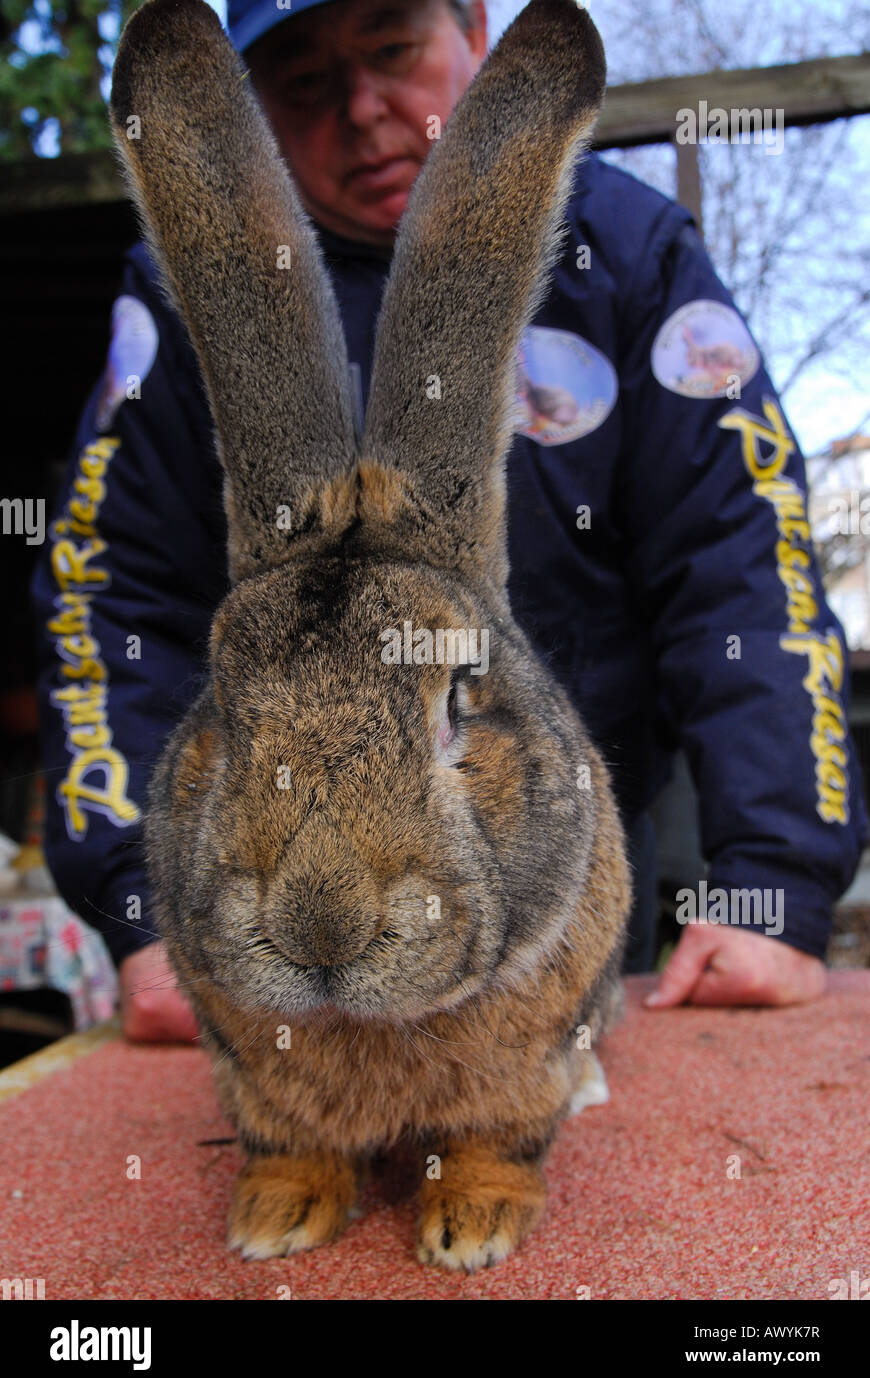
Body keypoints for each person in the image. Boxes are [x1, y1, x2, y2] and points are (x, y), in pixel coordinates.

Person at [30, 0, 867, 1042]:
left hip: (543, 844)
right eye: (303, 82)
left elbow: (741, 558)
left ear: (474, 28)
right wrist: (140, 906)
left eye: (390, 50)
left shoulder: (627, 254)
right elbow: (109, 595)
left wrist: (775, 881)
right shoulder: (186, 299)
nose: (366, 112)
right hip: (262, 887)